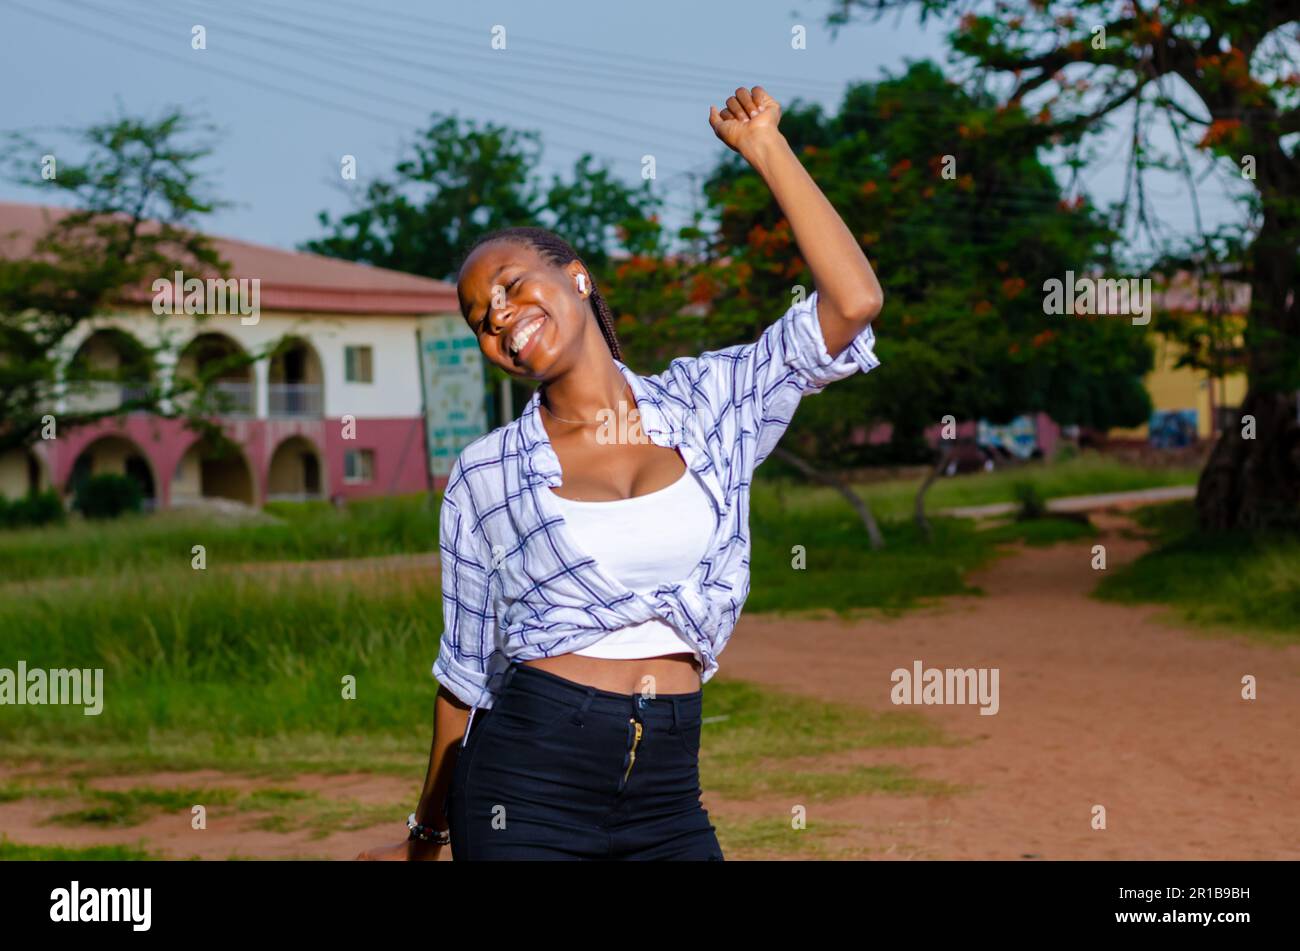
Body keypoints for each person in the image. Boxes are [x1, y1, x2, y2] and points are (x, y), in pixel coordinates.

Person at [358, 85, 883, 861]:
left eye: (508, 287)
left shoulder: (710, 402)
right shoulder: (485, 475)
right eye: (479, 318)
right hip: (523, 789)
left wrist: (767, 148)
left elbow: (853, 299)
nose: (498, 316)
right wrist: (425, 835)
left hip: (667, 793)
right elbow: (465, 674)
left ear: (575, 276)